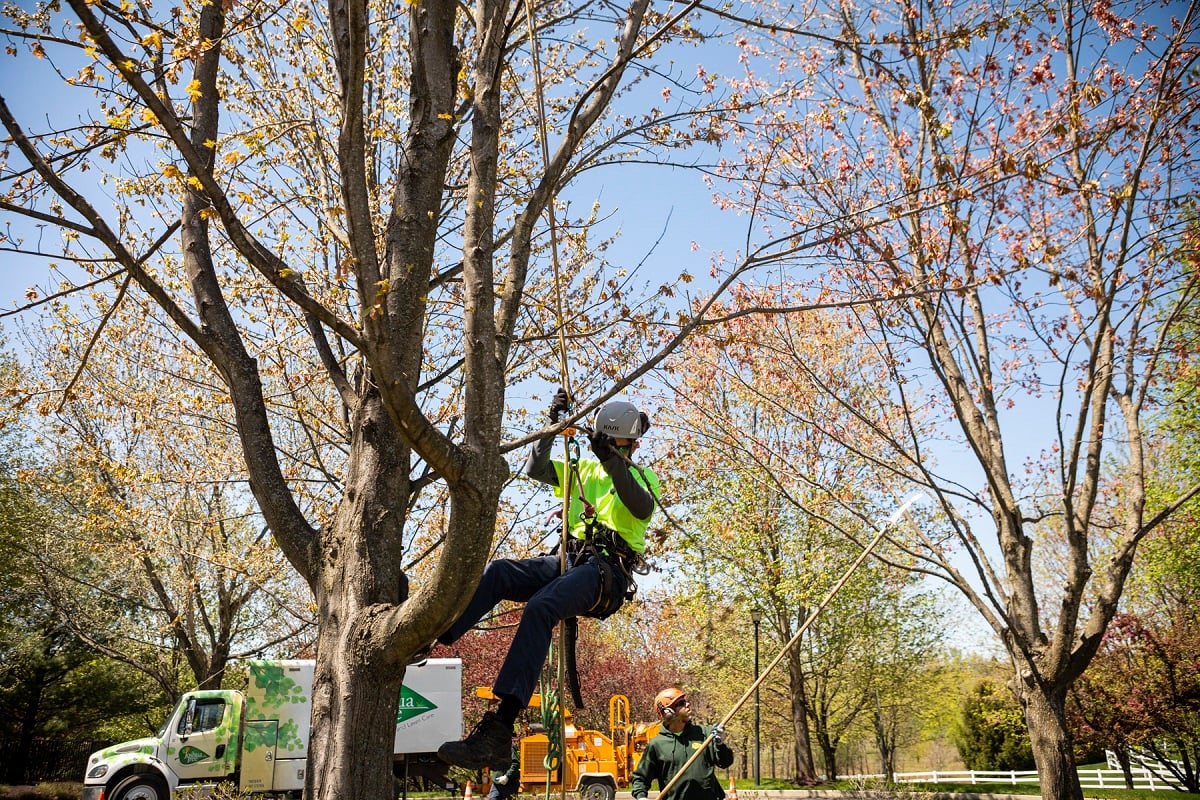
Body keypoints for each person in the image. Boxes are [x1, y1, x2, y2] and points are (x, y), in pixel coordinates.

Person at [434, 390, 661, 770]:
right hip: (569, 560)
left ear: (630, 444)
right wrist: (551, 427)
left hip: (606, 573)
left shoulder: (642, 476)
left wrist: (611, 461)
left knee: (541, 608)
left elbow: (639, 504)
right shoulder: (582, 472)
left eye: (616, 444)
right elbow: (536, 469)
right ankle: (437, 635)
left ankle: (499, 729)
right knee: (501, 572)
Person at [631, 688, 734, 800]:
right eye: (681, 703)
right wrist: (641, 797)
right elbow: (640, 778)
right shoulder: (657, 745)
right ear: (668, 712)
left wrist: (720, 744)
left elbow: (725, 762)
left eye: (685, 701)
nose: (688, 704)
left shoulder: (705, 734)